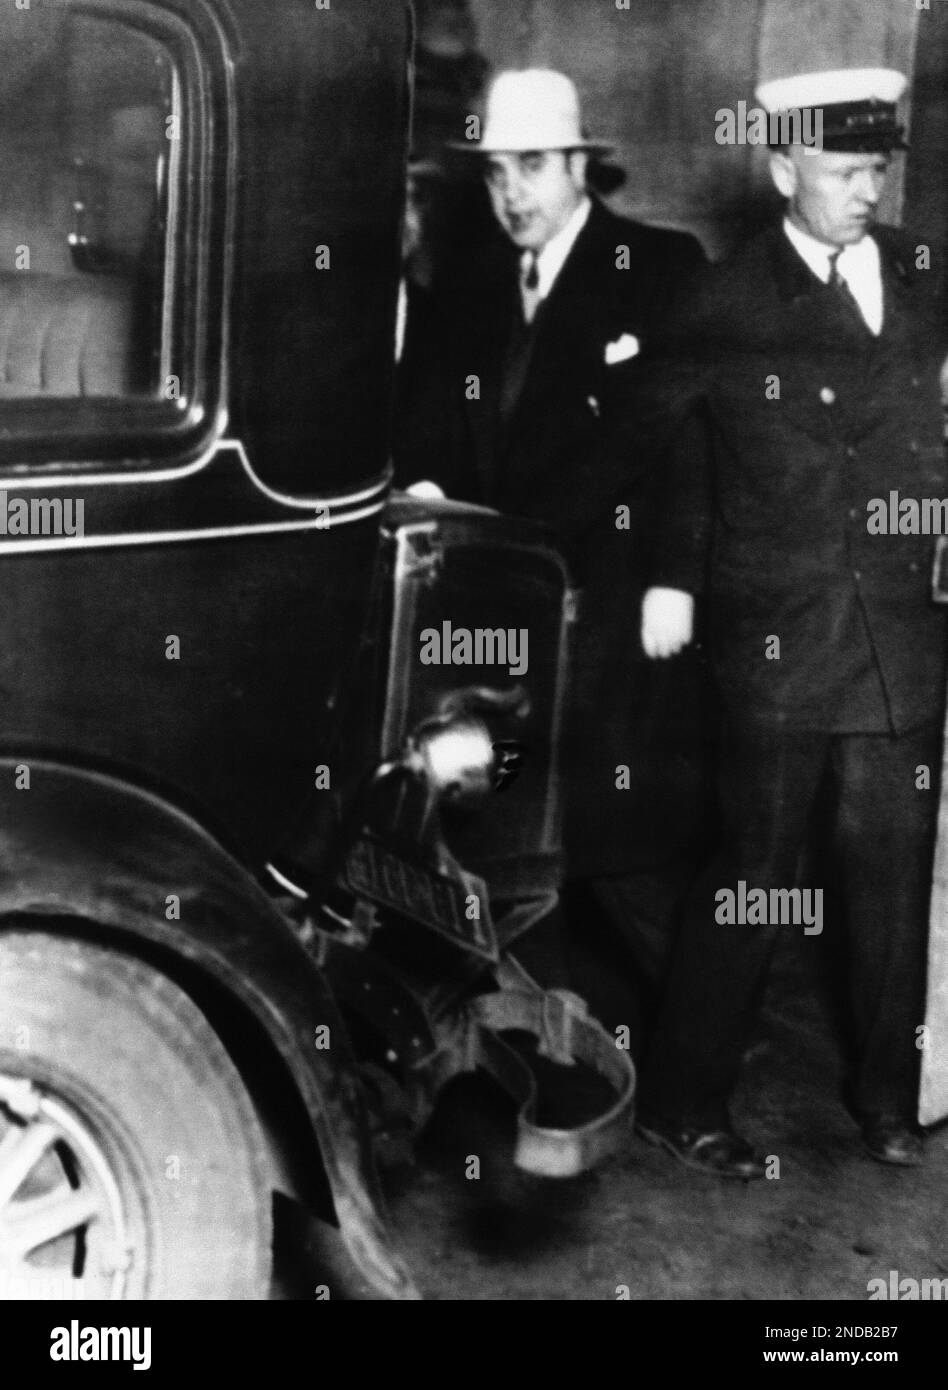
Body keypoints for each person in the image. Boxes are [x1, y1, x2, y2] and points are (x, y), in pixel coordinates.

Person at [635, 67, 948, 1176]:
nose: (867, 190)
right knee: (758, 869)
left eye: (878, 169)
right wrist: (673, 576)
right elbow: (681, 453)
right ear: (782, 169)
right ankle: (685, 1096)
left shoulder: (921, 274)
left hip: (901, 633)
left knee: (892, 874)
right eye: (843, 170)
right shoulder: (722, 299)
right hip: (777, 633)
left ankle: (886, 1100)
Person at [394, 68, 711, 1047]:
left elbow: (691, 437)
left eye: (532, 167)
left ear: (580, 165)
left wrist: (676, 578)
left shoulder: (658, 267)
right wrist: (434, 489)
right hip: (506, 608)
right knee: (508, 811)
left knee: (625, 844)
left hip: (618, 606)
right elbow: (436, 421)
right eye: (495, 175)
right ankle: (542, 1038)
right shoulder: (477, 280)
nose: (512, 194)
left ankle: (707, 1046)